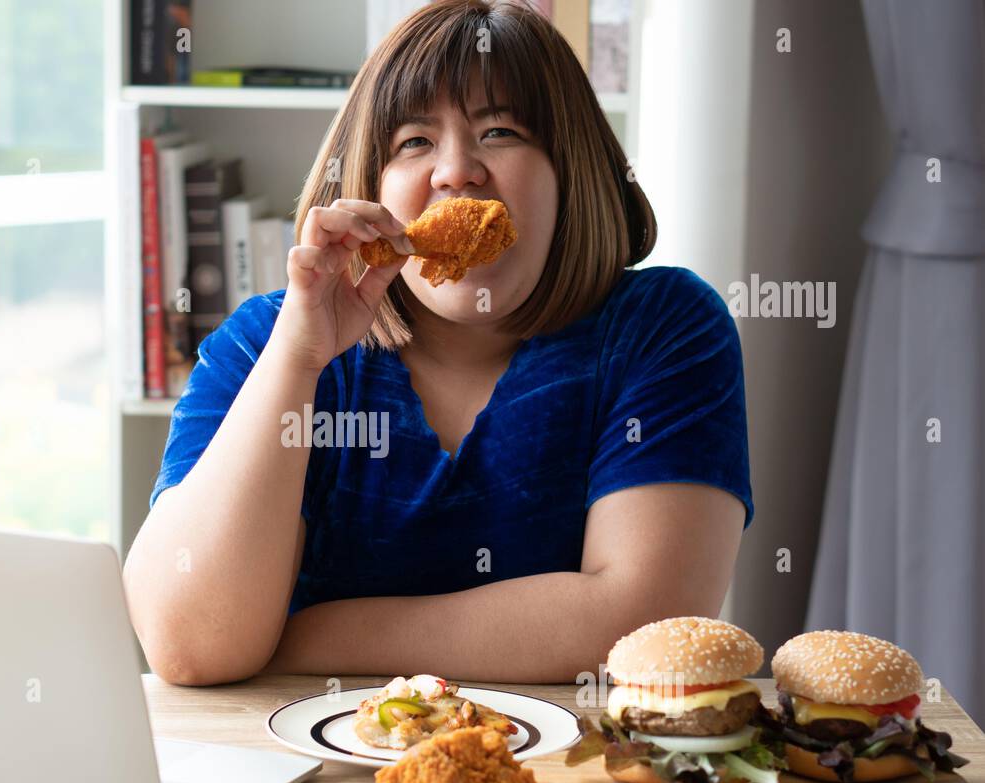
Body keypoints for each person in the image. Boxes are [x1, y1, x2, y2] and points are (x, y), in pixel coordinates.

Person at [123, 0, 753, 685]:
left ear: (570, 176)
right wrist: (298, 359)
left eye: (501, 131)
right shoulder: (266, 344)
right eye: (413, 143)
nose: (456, 172)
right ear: (368, 188)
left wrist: (299, 639)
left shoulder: (662, 327)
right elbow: (190, 641)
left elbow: (642, 625)